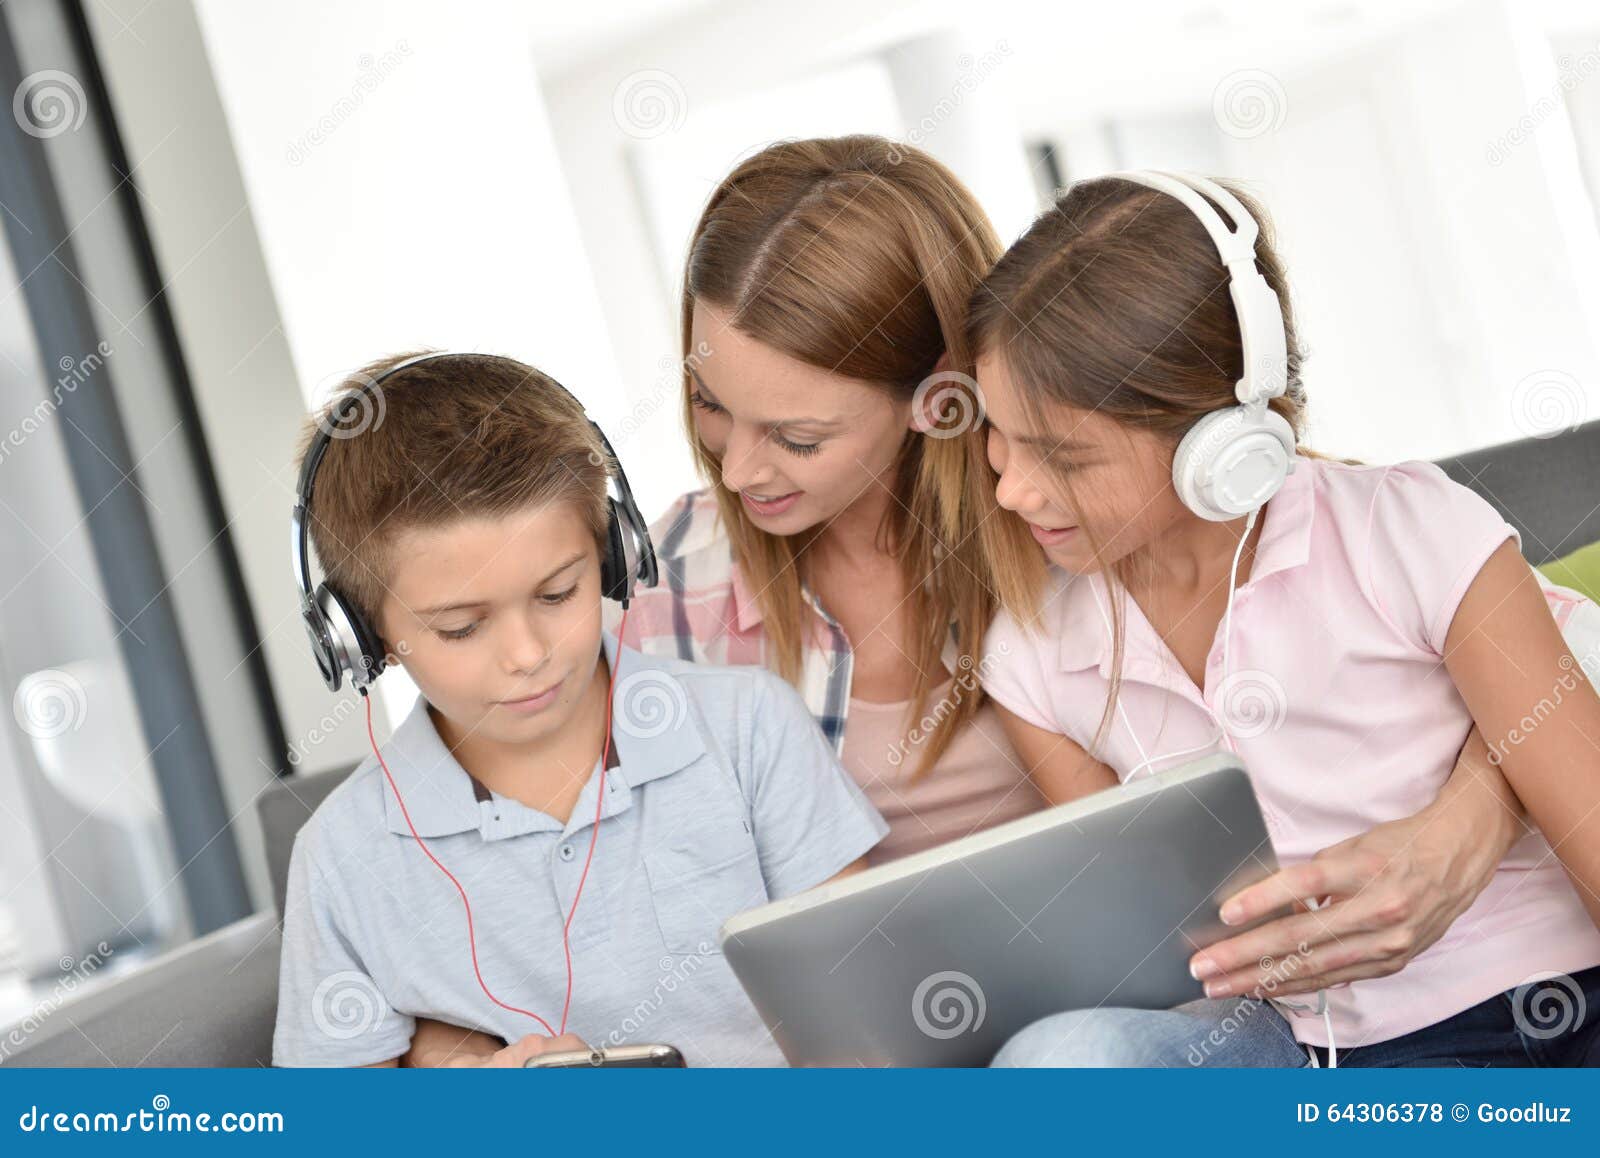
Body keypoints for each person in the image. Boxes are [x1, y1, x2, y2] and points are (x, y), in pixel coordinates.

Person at [974, 173, 1600, 1067]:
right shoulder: (1033, 655)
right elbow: (1144, 950)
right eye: (996, 435)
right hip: (1317, 1057)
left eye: (1065, 458)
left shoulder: (1403, 528)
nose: (1012, 489)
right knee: (1065, 1061)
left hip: (1552, 1007)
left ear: (1220, 443)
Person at [272, 352, 886, 1068]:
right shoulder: (343, 856)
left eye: (558, 593)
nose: (527, 653)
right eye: (461, 628)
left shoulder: (750, 732)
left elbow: (871, 1015)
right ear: (360, 636)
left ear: (614, 554)